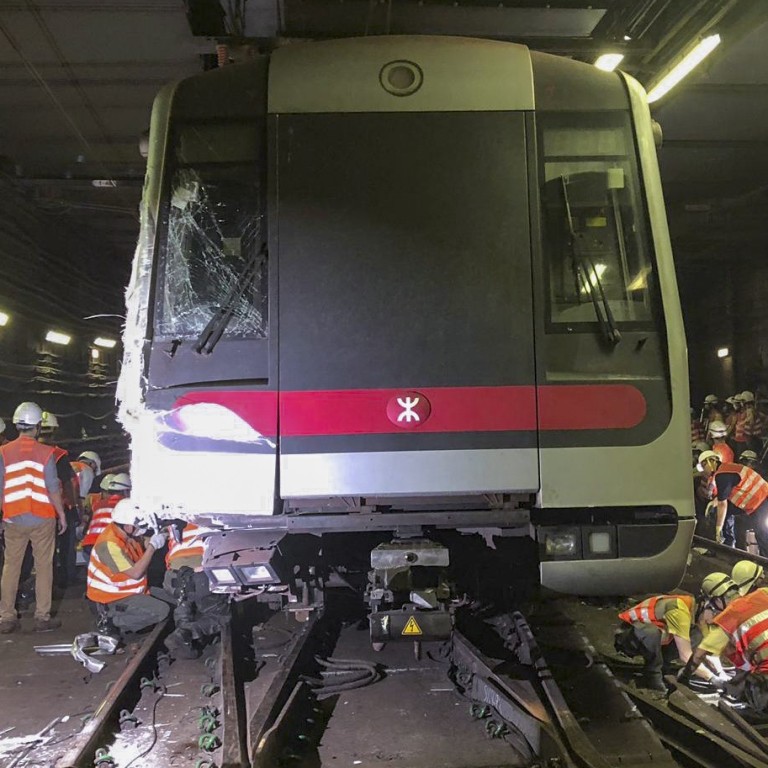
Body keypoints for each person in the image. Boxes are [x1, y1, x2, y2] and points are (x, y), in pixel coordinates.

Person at [0, 402, 67, 633]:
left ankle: (7, 617)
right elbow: (52, 488)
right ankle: (42, 617)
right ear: (38, 426)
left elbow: (0, 487)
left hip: (14, 519)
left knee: (11, 566)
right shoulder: (46, 453)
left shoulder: (3, 452)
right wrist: (62, 515)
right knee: (44, 566)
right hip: (42, 518)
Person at [86, 498, 170, 635]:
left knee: (172, 600)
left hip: (131, 591)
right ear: (129, 527)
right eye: (140, 526)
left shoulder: (126, 534)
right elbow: (136, 573)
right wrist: (153, 547)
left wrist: (162, 536)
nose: (143, 530)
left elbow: (144, 541)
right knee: (161, 611)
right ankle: (111, 623)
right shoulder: (109, 544)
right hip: (110, 599)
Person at [680, 587, 768, 713]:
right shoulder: (762, 593)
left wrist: (684, 676)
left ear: (718, 600)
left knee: (755, 704)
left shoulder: (727, 619)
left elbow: (698, 655)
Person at [614, 592, 717, 691]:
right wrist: (710, 677)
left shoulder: (698, 613)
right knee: (651, 633)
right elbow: (686, 656)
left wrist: (712, 664)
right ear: (705, 604)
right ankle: (652, 675)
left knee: (697, 635)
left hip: (654, 637)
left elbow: (705, 647)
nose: (712, 621)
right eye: (714, 614)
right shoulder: (678, 609)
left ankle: (663, 665)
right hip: (627, 637)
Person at [162, 522, 228, 658]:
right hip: (199, 575)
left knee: (184, 605)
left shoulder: (173, 516)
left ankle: (183, 639)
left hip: (173, 576)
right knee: (221, 618)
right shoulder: (210, 516)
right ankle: (188, 632)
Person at [698, 450, 768, 556]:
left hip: (761, 502)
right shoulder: (726, 470)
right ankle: (728, 548)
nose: (703, 470)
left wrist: (718, 528)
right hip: (754, 504)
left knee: (763, 536)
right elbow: (721, 496)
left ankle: (724, 546)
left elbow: (723, 503)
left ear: (710, 461)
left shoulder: (723, 474)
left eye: (703, 466)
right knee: (759, 535)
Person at [39, 411, 80, 587]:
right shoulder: (59, 454)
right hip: (60, 507)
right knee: (66, 545)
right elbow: (68, 482)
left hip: (36, 508)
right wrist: (75, 507)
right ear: (54, 431)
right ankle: (66, 578)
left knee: (43, 550)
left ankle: (46, 581)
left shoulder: (29, 453)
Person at [81, 473, 130, 561]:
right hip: (107, 547)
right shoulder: (125, 506)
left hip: (88, 546)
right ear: (125, 491)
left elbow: (86, 529)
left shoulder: (98, 504)